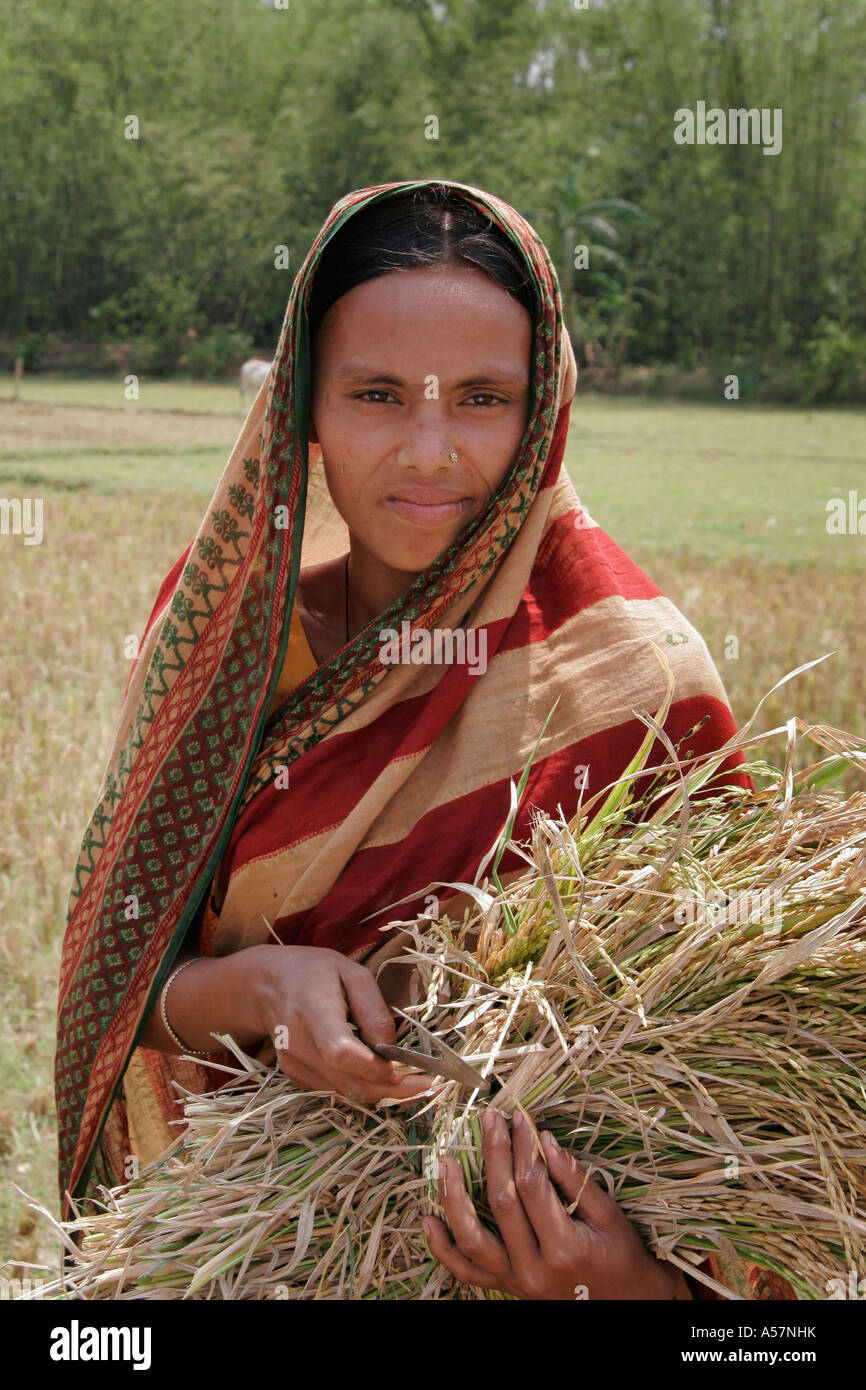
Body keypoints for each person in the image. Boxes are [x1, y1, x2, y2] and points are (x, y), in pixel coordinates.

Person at [56, 179, 787, 1300]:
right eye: (379, 394)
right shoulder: (225, 653)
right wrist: (261, 985)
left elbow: (757, 1098)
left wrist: (627, 1288)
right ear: (300, 405)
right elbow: (120, 981)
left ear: (543, 411)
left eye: (483, 397)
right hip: (255, 1259)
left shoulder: (636, 681)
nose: (430, 451)